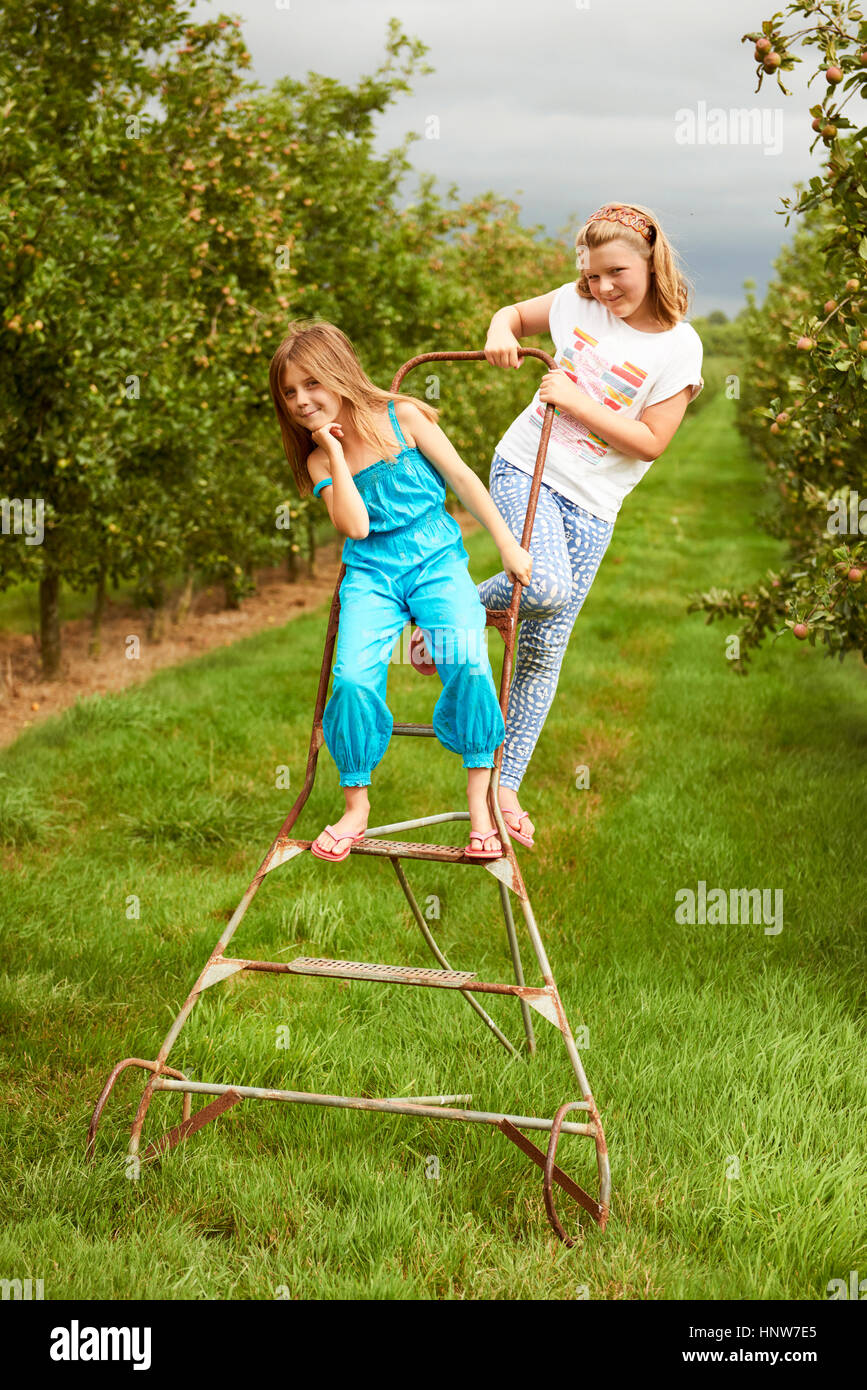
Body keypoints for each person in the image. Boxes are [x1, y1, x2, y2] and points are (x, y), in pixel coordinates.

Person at [470, 201, 704, 848]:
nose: (601, 288)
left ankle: (503, 786)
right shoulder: (577, 305)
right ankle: (440, 613)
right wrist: (498, 329)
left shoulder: (678, 348)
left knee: (544, 648)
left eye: (615, 273)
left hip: (594, 503)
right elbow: (514, 316)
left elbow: (650, 442)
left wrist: (576, 399)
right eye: (590, 275)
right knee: (541, 588)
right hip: (528, 468)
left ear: (650, 261)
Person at [268, 320, 533, 862]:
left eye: (311, 384)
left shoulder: (402, 416)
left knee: (469, 660)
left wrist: (507, 546)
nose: (301, 400)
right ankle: (356, 805)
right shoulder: (320, 460)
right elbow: (356, 527)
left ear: (339, 374)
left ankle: (479, 807)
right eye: (289, 393)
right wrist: (336, 456)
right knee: (352, 677)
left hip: (436, 560)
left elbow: (462, 478)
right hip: (372, 575)